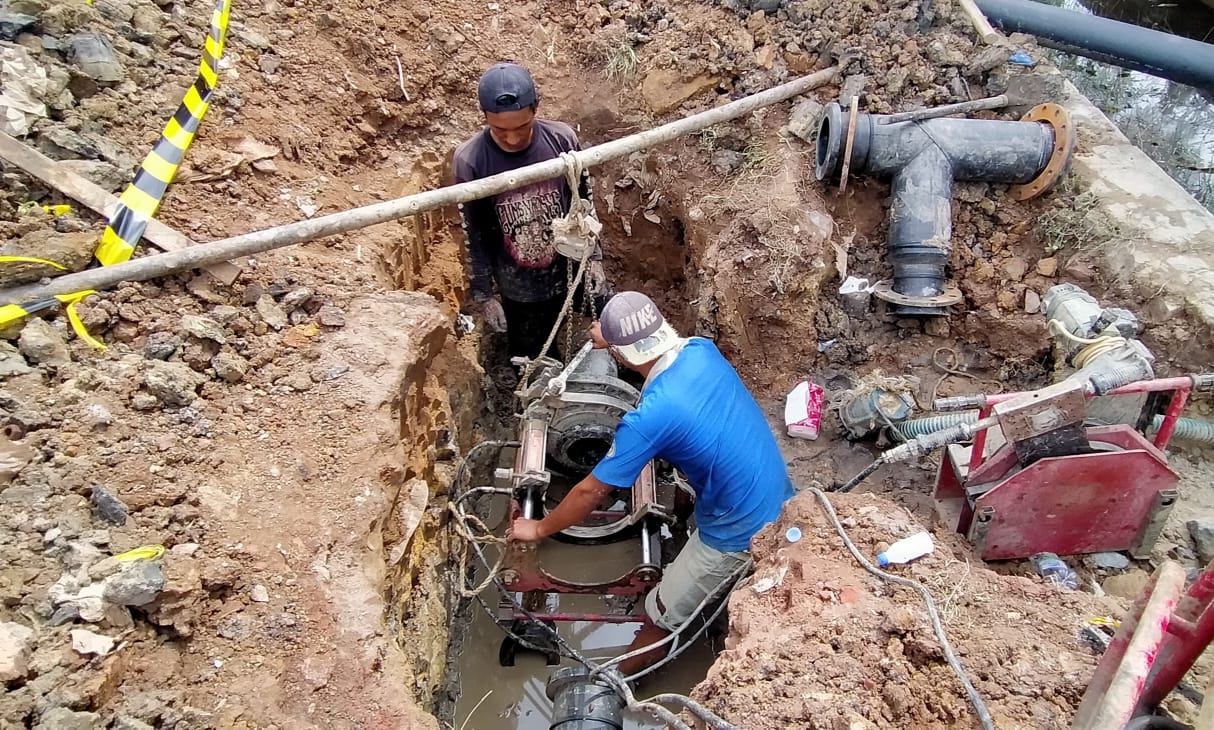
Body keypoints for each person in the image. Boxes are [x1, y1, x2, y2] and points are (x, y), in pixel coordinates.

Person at [509, 291, 795, 675]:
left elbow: (591, 491)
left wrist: (540, 526)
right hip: (777, 493)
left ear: (621, 354)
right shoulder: (700, 350)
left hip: (740, 530)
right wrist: (609, 338)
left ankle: (611, 683)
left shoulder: (651, 418)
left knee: (658, 615)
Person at [453, 62, 608, 361]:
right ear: (484, 116)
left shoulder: (561, 141)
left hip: (570, 267)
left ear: (536, 108)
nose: (512, 138)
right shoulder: (471, 160)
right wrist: (485, 295)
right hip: (519, 286)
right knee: (533, 362)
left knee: (614, 327)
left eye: (522, 128)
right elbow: (475, 233)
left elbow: (584, 203)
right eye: (500, 130)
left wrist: (595, 260)